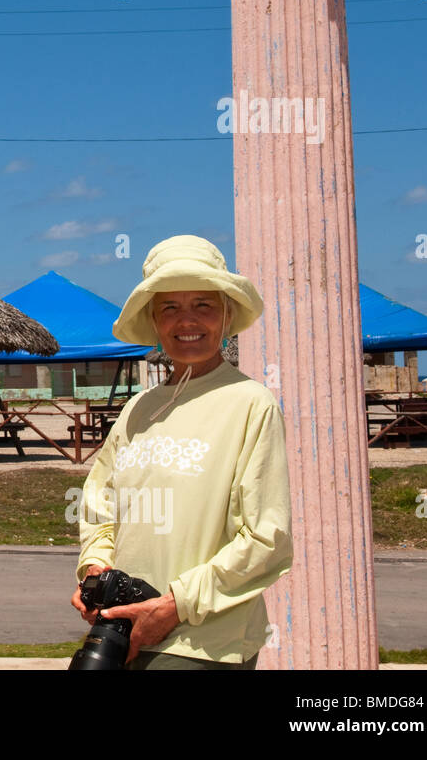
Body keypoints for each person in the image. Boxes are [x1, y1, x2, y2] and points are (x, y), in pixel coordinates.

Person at [71, 234, 293, 669]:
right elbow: (100, 506)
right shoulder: (139, 408)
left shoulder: (250, 403)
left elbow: (268, 539)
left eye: (203, 305)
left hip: (202, 642)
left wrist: (173, 606)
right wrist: (95, 569)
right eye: (169, 307)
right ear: (153, 320)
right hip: (123, 633)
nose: (186, 320)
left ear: (227, 315)